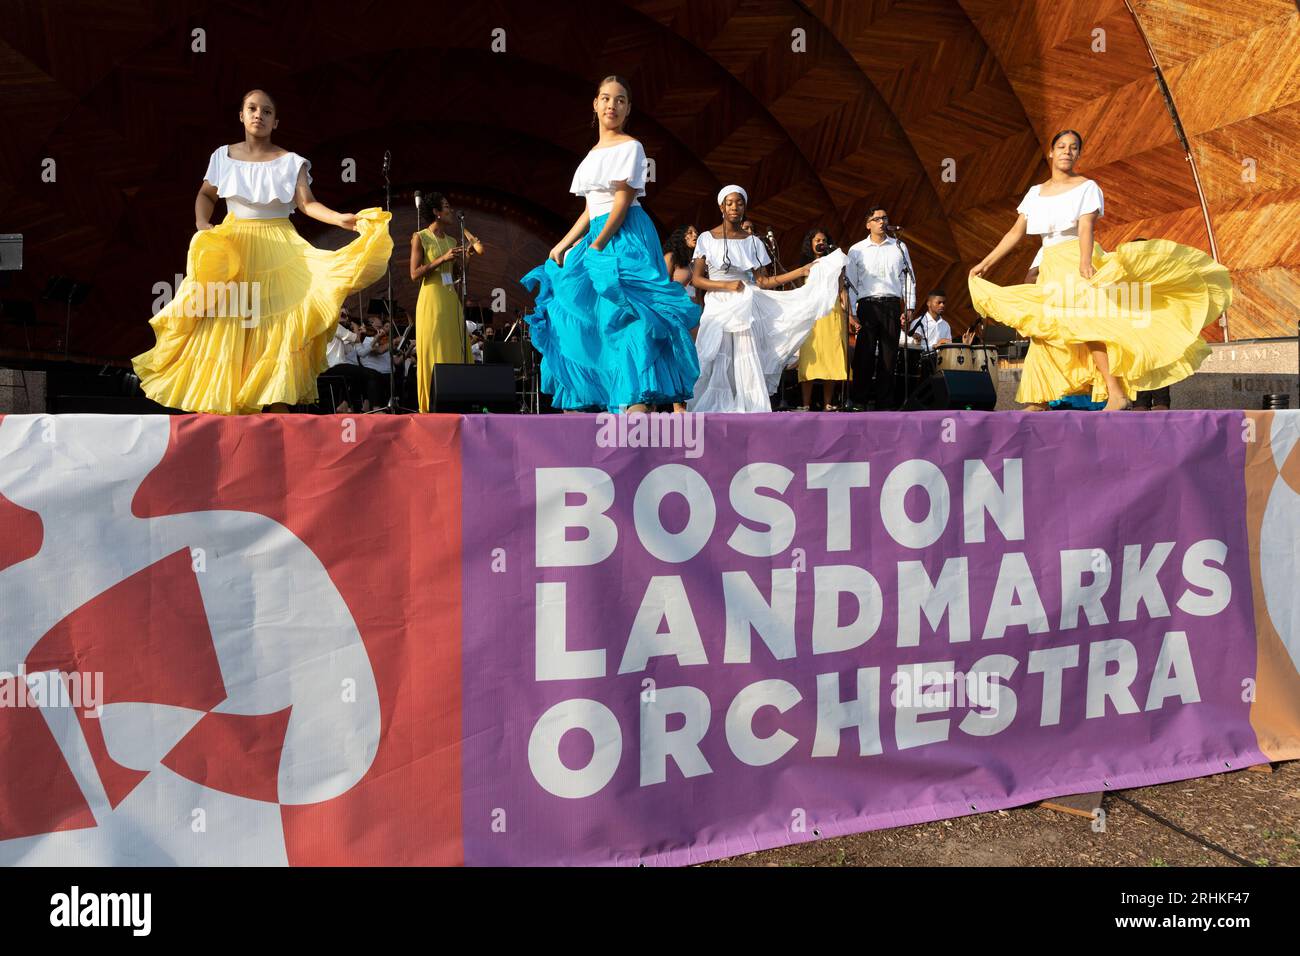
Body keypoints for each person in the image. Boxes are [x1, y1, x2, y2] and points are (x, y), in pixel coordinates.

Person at [133, 89, 392, 414]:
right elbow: (206, 195)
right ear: (241, 115)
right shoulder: (222, 156)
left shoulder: (291, 162)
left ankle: (276, 414)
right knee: (228, 325)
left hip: (279, 249)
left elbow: (307, 204)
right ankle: (225, 413)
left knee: (277, 327)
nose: (259, 115)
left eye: (266, 111)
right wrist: (202, 223)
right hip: (233, 248)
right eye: (252, 108)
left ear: (276, 121)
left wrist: (340, 218)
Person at [969, 130, 1231, 410]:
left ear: (1078, 155)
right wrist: (986, 263)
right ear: (1051, 152)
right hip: (1051, 264)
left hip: (1076, 257)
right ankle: (1041, 399)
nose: (1067, 151)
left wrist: (1085, 262)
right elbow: (1014, 232)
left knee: (1087, 324)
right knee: (1045, 327)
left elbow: (1086, 227)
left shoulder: (1087, 187)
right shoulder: (1035, 193)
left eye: (1073, 148)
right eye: (1061, 146)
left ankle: (1116, 393)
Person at [521, 75, 700, 412]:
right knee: (582, 311)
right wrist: (563, 244)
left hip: (626, 234)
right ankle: (608, 397)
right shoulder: (591, 154)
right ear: (595, 104)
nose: (611, 105)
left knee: (630, 315)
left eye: (619, 100)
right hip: (598, 235)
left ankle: (636, 401)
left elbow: (621, 202)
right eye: (605, 98)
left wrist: (598, 245)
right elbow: (592, 208)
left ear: (628, 108)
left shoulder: (632, 147)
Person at [688, 186, 846, 413]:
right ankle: (715, 411)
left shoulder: (753, 242)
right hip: (718, 305)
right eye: (730, 203)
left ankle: (746, 409)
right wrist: (725, 285)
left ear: (744, 207)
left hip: (745, 303)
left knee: (744, 357)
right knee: (714, 355)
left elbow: (763, 281)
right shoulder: (706, 238)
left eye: (739, 203)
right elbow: (696, 280)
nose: (735, 207)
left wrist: (801, 271)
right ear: (721, 206)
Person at [411, 191, 481, 412]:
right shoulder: (419, 237)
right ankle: (432, 402)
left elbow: (460, 274)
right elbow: (414, 274)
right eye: (446, 207)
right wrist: (442, 259)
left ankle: (458, 399)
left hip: (451, 300)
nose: (450, 211)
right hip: (431, 300)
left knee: (454, 346)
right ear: (436, 212)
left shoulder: (452, 240)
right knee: (435, 347)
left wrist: (466, 256)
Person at [845, 206, 915, 410]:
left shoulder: (899, 246)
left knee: (889, 356)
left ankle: (885, 403)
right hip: (867, 305)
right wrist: (851, 313)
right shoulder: (856, 249)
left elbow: (908, 278)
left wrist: (909, 306)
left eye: (885, 218)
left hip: (892, 305)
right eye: (877, 219)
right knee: (863, 355)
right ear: (868, 224)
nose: (882, 222)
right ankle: (859, 400)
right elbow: (851, 283)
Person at [795, 228, 849, 411]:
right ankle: (805, 404)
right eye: (817, 239)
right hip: (811, 316)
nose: (821, 242)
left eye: (824, 239)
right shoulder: (805, 265)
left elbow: (841, 288)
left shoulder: (834, 264)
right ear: (811, 243)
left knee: (832, 358)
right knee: (810, 359)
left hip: (832, 313)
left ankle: (828, 403)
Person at [663, 225, 699, 303]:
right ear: (681, 237)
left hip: (694, 308)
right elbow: (664, 285)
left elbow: (698, 293)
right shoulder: (671, 256)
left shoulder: (695, 261)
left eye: (696, 233)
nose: (695, 235)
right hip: (675, 306)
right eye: (690, 233)